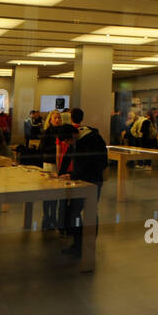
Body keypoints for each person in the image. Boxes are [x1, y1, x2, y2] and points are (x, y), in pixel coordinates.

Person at [58, 107, 107, 257]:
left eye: (68, 141)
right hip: (82, 179)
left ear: (73, 135)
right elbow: (68, 157)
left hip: (93, 180)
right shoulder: (77, 139)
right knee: (76, 211)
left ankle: (87, 244)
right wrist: (61, 174)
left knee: (89, 211)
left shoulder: (91, 139)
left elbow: (90, 162)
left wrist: (72, 175)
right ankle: (78, 244)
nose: (68, 143)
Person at [39, 109, 67, 230]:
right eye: (55, 118)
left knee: (57, 193)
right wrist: (56, 149)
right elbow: (42, 148)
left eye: (59, 118)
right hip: (49, 163)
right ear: (50, 120)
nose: (57, 120)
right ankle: (46, 217)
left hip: (59, 164)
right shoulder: (47, 132)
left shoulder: (63, 132)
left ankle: (54, 217)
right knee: (48, 192)